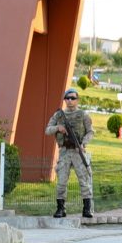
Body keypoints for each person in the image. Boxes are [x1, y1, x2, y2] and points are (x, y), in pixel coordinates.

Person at [45, 88, 95, 220]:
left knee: (84, 180)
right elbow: (47, 130)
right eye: (67, 98)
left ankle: (87, 208)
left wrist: (83, 143)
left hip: (78, 152)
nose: (70, 100)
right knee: (61, 181)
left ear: (77, 100)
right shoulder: (58, 115)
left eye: (72, 98)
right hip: (65, 152)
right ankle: (61, 208)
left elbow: (90, 132)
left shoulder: (83, 115)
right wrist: (58, 128)